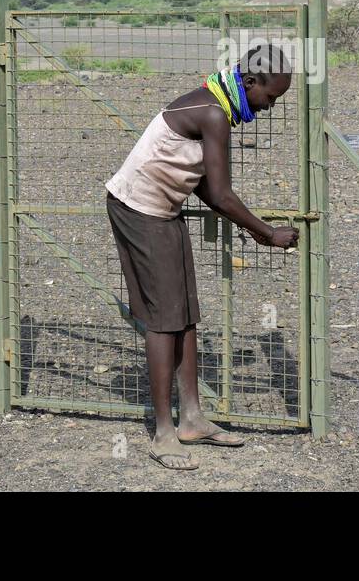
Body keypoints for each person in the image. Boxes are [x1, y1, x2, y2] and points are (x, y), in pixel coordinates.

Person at [105, 42, 298, 470]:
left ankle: (192, 419)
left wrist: (256, 228)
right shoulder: (213, 113)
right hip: (139, 210)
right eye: (271, 97)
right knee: (162, 320)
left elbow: (208, 189)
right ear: (250, 82)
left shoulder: (218, 105)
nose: (269, 106)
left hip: (162, 210)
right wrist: (266, 232)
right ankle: (163, 432)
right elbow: (223, 194)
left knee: (187, 314)